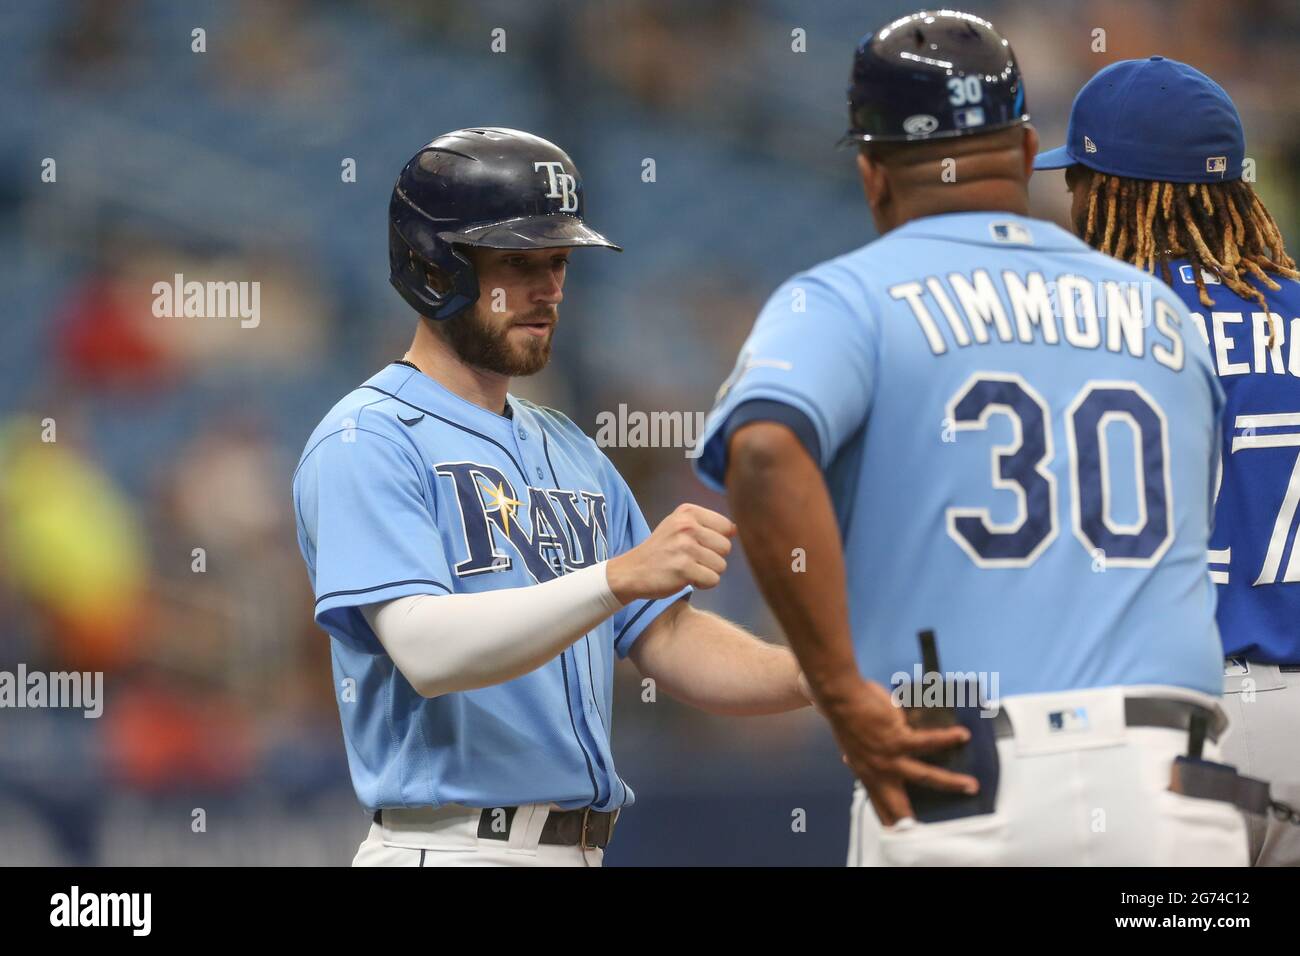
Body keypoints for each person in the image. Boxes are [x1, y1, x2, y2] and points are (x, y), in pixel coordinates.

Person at [694, 10, 1247, 865]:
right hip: (1172, 792)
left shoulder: (843, 299)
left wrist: (839, 692)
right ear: (1028, 152)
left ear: (873, 174)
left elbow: (764, 450)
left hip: (967, 781)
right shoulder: (1162, 315)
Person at [292, 127, 815, 867]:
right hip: (448, 846)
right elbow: (423, 647)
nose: (550, 288)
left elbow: (667, 638)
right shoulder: (368, 439)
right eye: (518, 262)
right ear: (436, 267)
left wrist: (817, 675)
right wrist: (614, 577)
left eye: (559, 261)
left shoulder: (569, 448)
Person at [1035, 56, 1300, 865]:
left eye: (1080, 181)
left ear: (1115, 189)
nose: (1072, 201)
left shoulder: (1080, 326)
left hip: (1163, 725)